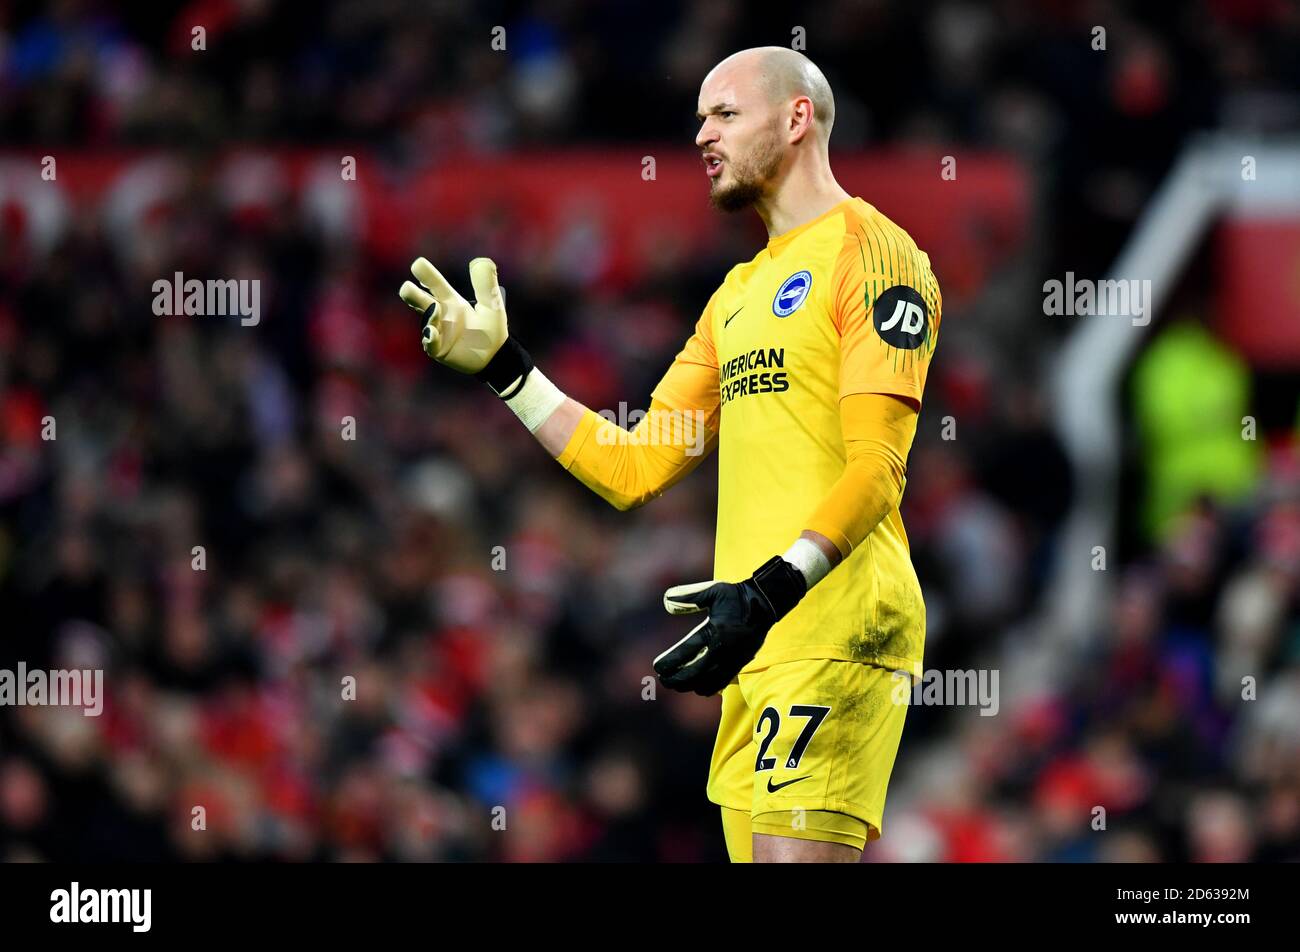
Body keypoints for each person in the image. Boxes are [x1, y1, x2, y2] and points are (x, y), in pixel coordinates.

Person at [399, 46, 942, 863]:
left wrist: (768, 591)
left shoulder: (875, 254)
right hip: (756, 641)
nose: (700, 136)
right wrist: (509, 371)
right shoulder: (737, 295)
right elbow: (637, 465)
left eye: (724, 113)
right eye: (697, 118)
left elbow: (877, 465)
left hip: (837, 627)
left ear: (797, 119)